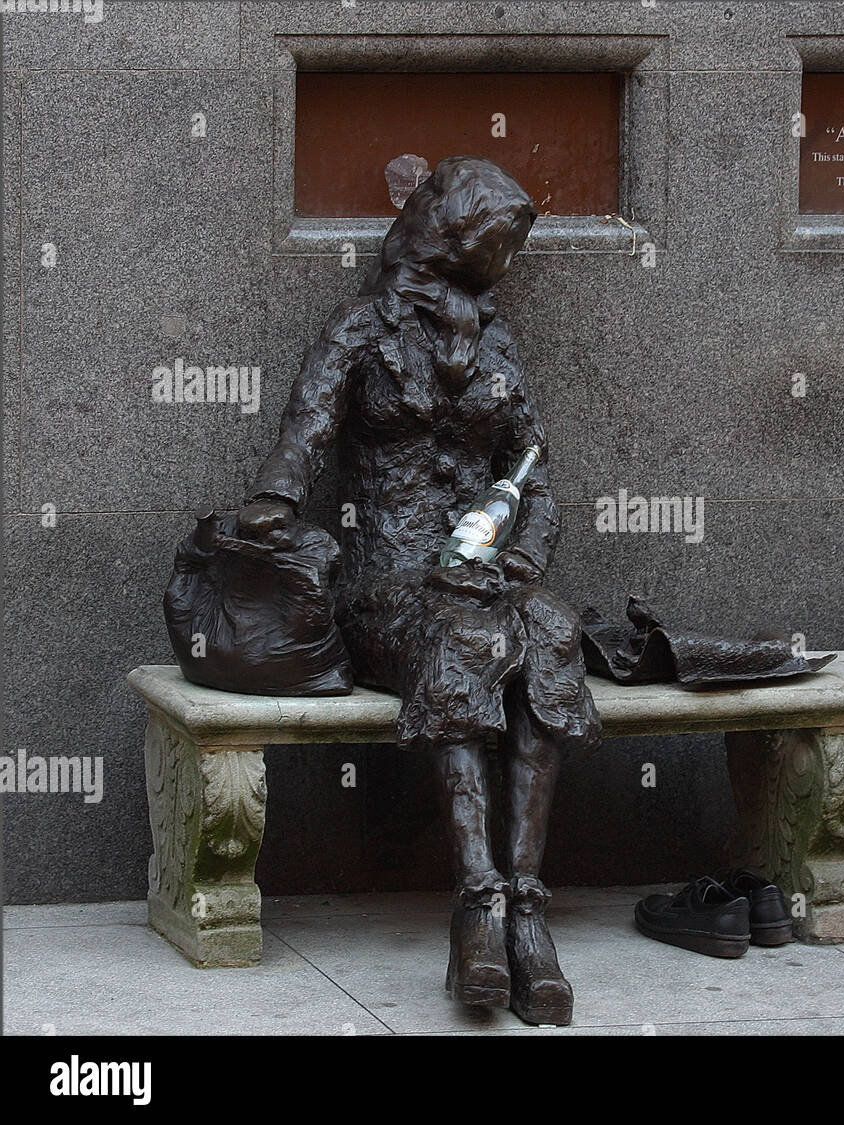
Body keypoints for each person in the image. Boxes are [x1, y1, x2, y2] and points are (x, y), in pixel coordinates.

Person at [236, 156, 599, 1027]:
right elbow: (303, 437)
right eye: (495, 240)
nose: (506, 257)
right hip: (387, 585)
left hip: (481, 577)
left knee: (551, 632)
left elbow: (533, 475)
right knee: (461, 641)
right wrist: (270, 510)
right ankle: (475, 901)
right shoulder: (364, 330)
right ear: (447, 238)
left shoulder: (501, 346)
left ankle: (525, 908)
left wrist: (522, 558)